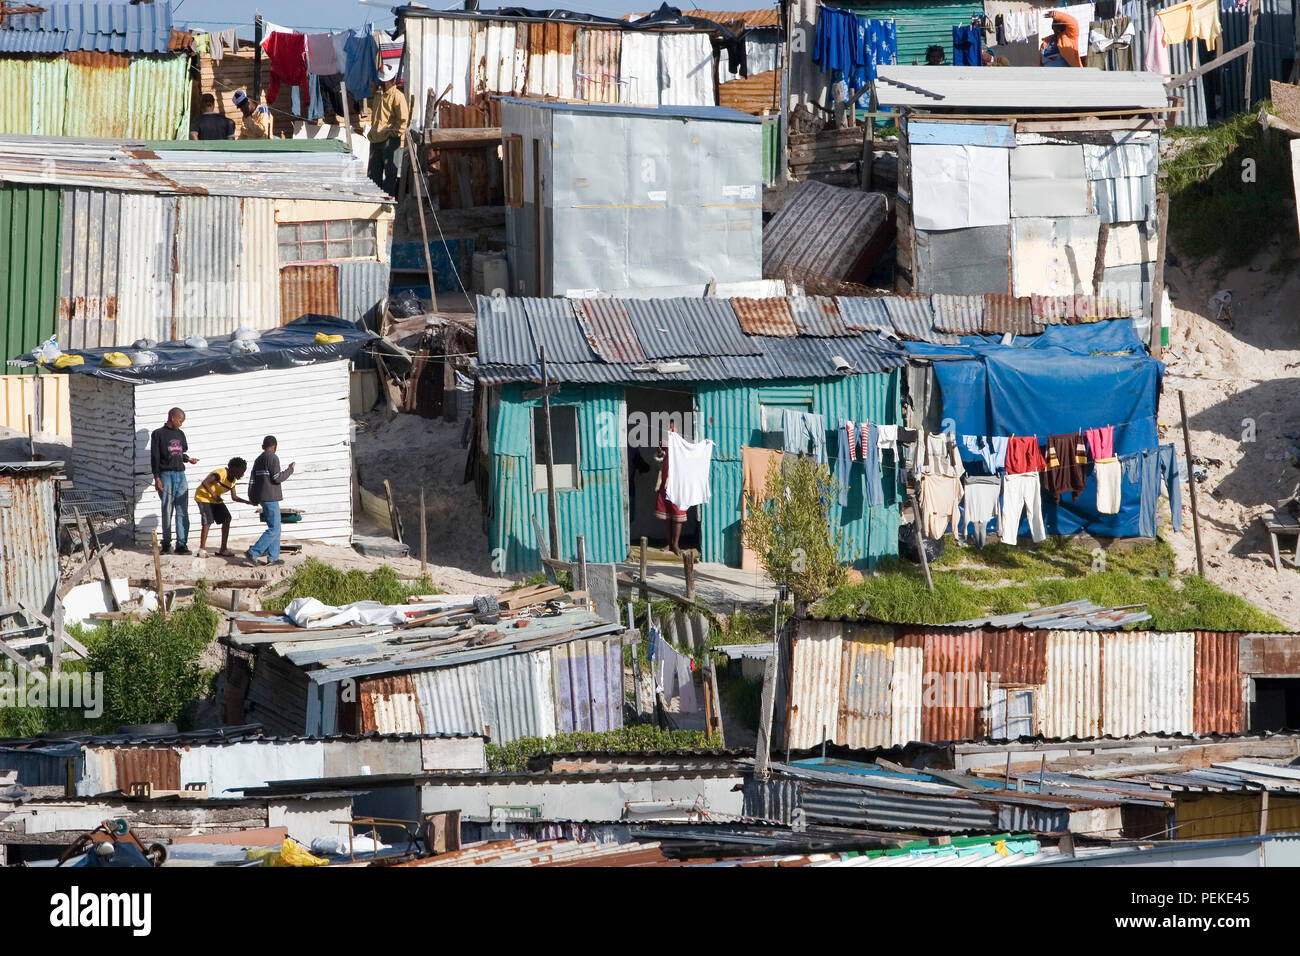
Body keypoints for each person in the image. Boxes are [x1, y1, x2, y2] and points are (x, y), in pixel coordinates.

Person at [150, 407, 199, 555]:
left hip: (180, 475)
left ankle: (182, 544)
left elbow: (179, 452)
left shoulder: (180, 434)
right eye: (180, 420)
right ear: (172, 417)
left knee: (182, 510)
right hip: (166, 475)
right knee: (167, 509)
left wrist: (188, 459)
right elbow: (155, 457)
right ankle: (166, 544)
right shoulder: (158, 434)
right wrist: (157, 478)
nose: (181, 424)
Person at [245, 437, 295, 566]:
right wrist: (290, 470)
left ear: (263, 446)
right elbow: (277, 478)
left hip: (262, 497)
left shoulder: (258, 459)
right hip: (270, 497)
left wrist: (252, 497)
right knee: (274, 529)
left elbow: (252, 480)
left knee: (275, 528)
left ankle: (273, 558)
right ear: (275, 446)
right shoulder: (273, 457)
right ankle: (253, 552)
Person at [367, 62, 409, 196]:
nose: (383, 83)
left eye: (385, 81)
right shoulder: (379, 94)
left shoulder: (398, 96)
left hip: (389, 140)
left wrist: (394, 133)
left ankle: (388, 202)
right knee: (373, 173)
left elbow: (403, 119)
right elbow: (376, 116)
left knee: (390, 172)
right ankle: (375, 200)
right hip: (375, 139)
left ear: (392, 80)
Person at [194, 457, 250, 558]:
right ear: (233, 468)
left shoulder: (232, 481)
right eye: (241, 471)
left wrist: (247, 502)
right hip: (203, 497)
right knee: (208, 520)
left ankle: (223, 549)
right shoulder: (220, 473)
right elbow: (205, 482)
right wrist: (214, 495)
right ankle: (201, 549)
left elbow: (234, 497)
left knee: (227, 518)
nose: (242, 474)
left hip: (215, 499)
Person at [653, 437, 686, 555]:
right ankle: (670, 544)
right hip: (665, 484)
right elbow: (659, 460)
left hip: (678, 485)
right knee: (667, 515)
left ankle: (676, 544)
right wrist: (660, 451)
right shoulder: (666, 448)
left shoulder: (682, 447)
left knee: (678, 514)